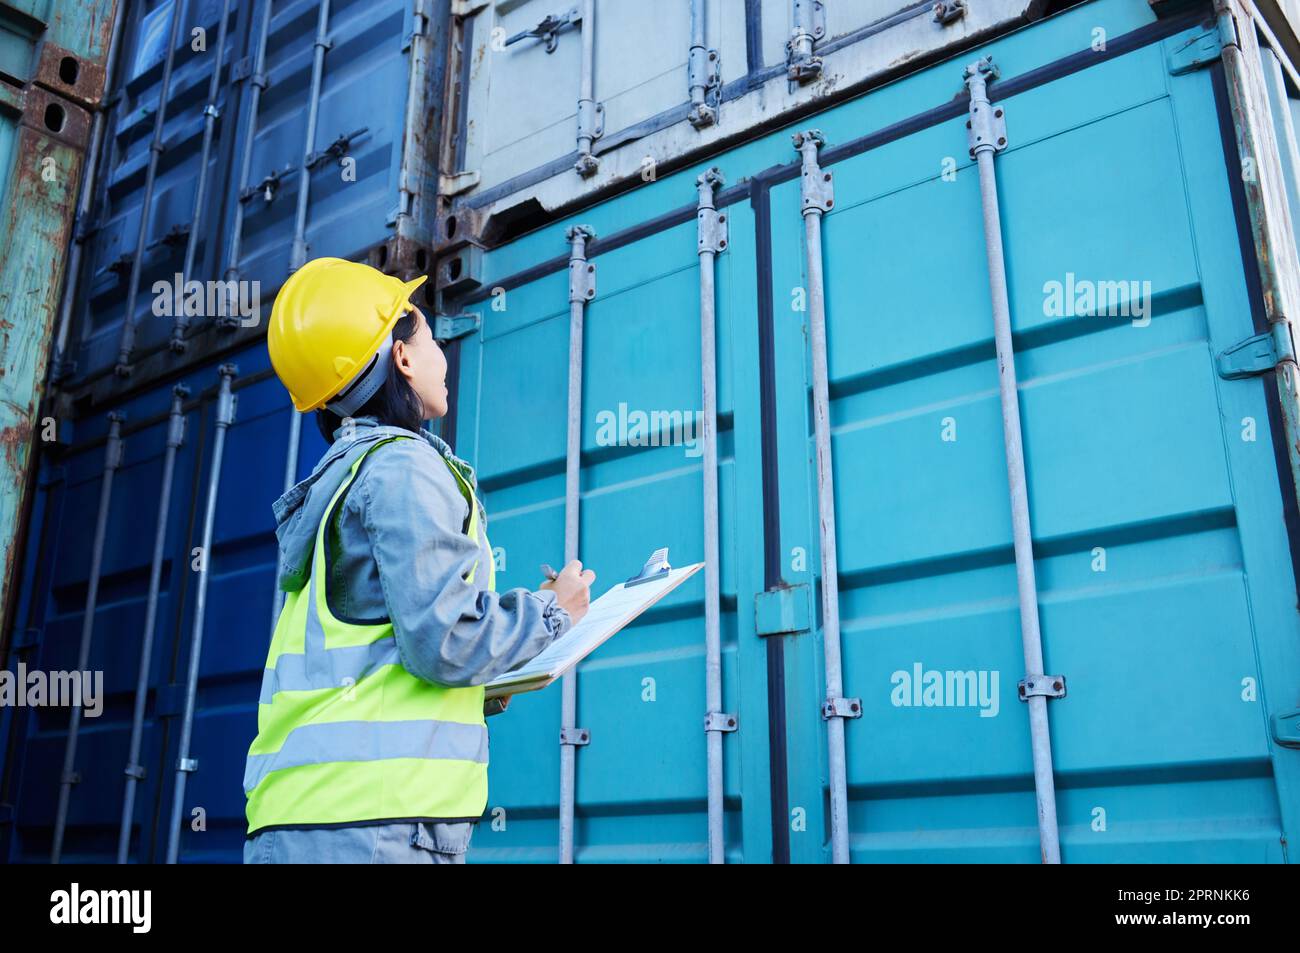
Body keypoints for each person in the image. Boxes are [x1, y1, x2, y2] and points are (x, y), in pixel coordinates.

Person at [243, 257, 594, 863]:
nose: (442, 357)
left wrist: (497, 680)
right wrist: (552, 614)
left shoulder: (339, 487)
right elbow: (444, 641)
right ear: (401, 357)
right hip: (376, 825)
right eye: (429, 337)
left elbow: (379, 659)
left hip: (302, 822)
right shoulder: (403, 467)